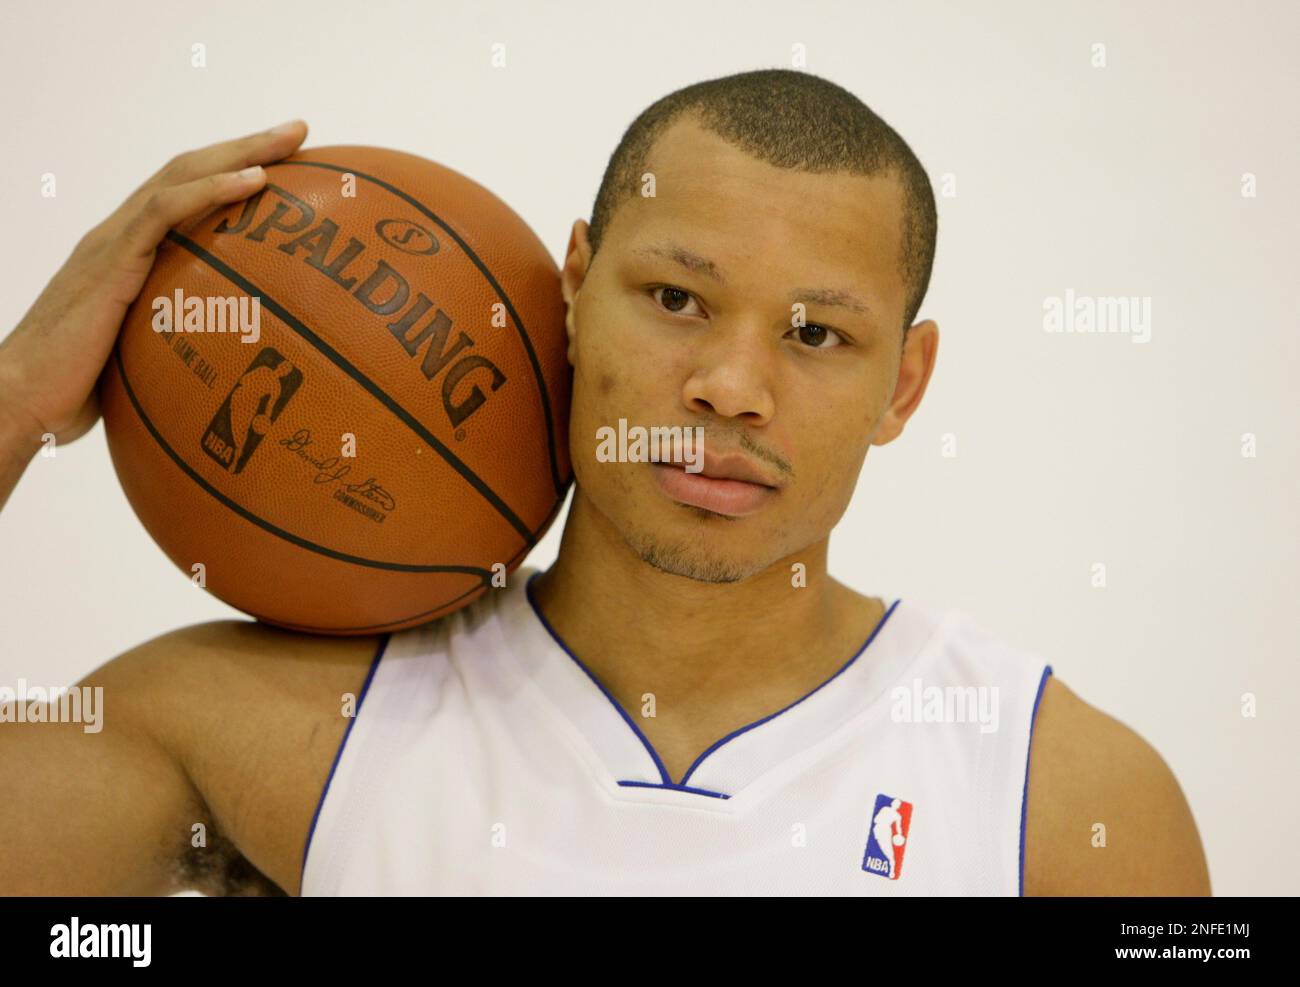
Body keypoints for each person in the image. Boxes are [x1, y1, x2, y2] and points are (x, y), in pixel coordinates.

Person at [0, 69, 1210, 895]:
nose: (732, 389)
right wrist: (12, 401)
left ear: (905, 384)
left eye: (815, 334)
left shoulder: (1060, 795)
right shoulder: (259, 725)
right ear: (574, 285)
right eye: (676, 300)